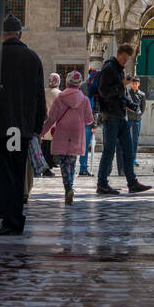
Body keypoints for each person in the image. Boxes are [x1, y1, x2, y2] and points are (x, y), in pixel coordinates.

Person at [0, 14, 46, 235]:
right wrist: (37, 126)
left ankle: (10, 219)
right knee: (16, 173)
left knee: (4, 174)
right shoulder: (32, 58)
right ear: (20, 34)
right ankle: (14, 218)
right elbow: (39, 96)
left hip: (2, 126)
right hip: (21, 129)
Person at [96, 45, 152, 196]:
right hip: (111, 116)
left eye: (127, 59)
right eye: (124, 58)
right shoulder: (109, 68)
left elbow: (121, 94)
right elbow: (104, 92)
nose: (125, 61)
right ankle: (102, 184)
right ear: (118, 54)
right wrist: (122, 84)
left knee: (128, 149)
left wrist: (130, 105)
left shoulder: (119, 70)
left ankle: (132, 183)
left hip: (120, 116)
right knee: (108, 150)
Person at [41, 69, 94, 205]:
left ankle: (68, 188)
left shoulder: (60, 97)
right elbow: (89, 120)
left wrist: (41, 133)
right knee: (72, 161)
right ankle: (71, 186)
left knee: (64, 163)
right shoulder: (84, 99)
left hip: (62, 133)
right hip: (77, 133)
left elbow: (51, 118)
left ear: (67, 82)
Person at [79, 66, 100, 176]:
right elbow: (96, 108)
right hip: (89, 120)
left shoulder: (82, 85)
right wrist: (95, 124)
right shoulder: (96, 87)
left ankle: (82, 167)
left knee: (81, 144)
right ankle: (83, 168)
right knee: (86, 145)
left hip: (80, 119)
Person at [41, 72, 61, 175]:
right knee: (51, 146)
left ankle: (45, 165)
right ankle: (49, 165)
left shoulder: (43, 92)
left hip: (44, 121)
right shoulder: (60, 93)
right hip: (55, 123)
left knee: (44, 145)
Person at [126, 76, 146, 166]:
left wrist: (138, 114)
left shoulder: (142, 94)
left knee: (135, 139)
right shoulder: (127, 93)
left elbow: (143, 108)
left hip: (137, 119)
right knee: (126, 139)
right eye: (133, 83)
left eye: (136, 83)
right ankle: (126, 157)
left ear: (139, 84)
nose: (134, 84)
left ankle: (133, 159)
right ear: (130, 84)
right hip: (128, 119)